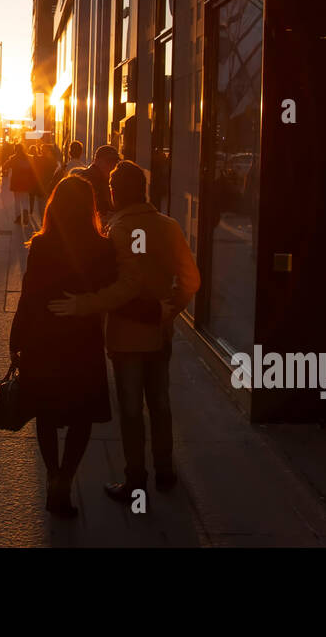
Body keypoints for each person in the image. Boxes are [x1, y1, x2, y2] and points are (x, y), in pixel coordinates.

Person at [49, 160, 201, 502]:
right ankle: (165, 471)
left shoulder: (120, 230)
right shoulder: (169, 225)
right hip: (161, 335)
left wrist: (85, 303)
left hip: (128, 336)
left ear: (119, 191)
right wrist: (169, 310)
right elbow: (191, 279)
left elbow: (127, 285)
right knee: (160, 402)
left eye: (113, 189)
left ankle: (136, 478)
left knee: (132, 409)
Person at [10, 175, 115, 517]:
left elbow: (29, 295)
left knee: (46, 410)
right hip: (82, 339)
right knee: (80, 414)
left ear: (54, 206)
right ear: (90, 207)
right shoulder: (102, 247)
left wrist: (17, 338)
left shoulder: (42, 245)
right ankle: (66, 477)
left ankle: (53, 473)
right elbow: (108, 289)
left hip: (44, 338)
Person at [77, 144, 119, 220]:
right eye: (108, 162)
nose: (112, 166)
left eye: (115, 162)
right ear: (97, 161)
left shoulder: (108, 180)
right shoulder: (88, 179)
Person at [4, 143, 35, 225]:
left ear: (15, 149)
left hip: (16, 183)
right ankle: (26, 215)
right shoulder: (29, 158)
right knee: (25, 200)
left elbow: (5, 166)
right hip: (26, 182)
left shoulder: (13, 158)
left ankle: (18, 218)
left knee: (17, 201)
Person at [29, 144, 58, 219]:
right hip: (50, 185)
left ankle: (43, 221)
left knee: (41, 205)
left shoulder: (38, 159)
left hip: (40, 186)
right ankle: (47, 220)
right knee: (48, 204)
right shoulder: (53, 161)